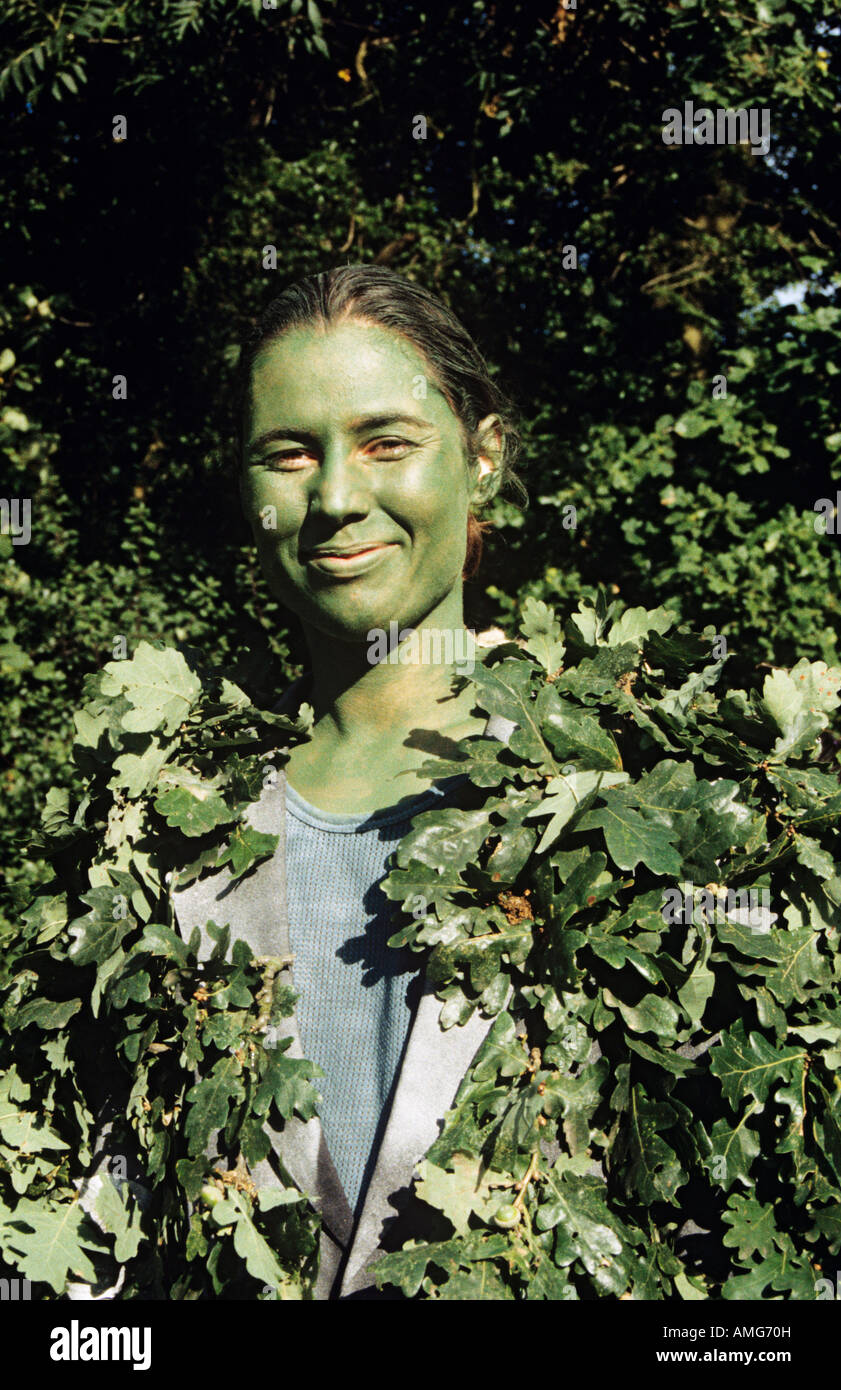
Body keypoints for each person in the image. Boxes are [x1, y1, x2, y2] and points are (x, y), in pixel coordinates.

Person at [172, 264, 527, 1299]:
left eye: (387, 442)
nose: (334, 497)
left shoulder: (632, 801)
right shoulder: (168, 839)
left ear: (483, 458)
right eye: (288, 453)